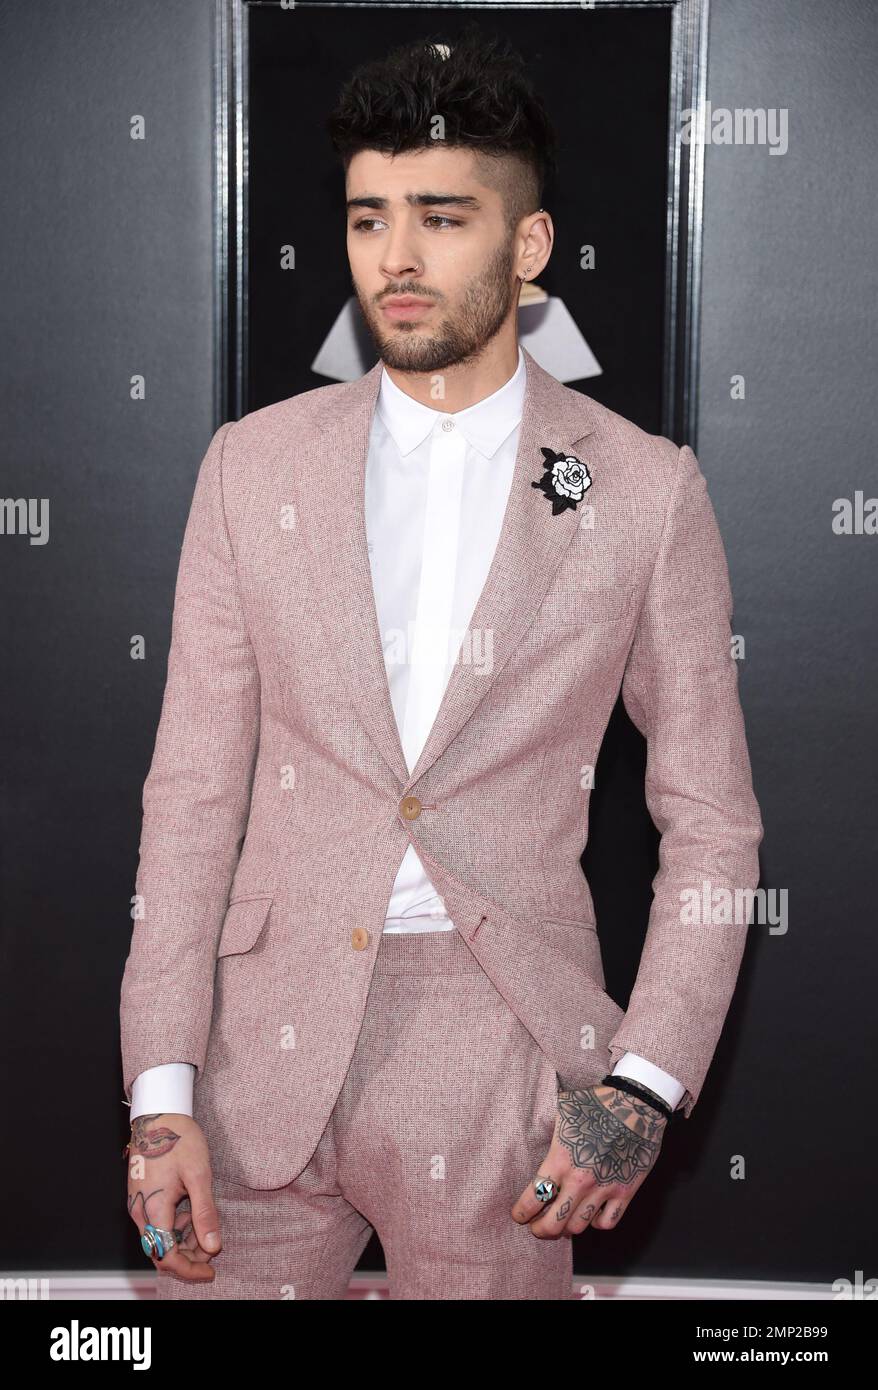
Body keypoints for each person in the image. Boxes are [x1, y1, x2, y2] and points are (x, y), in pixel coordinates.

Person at [120, 27, 763, 1300]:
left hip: (502, 1053)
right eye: (367, 220)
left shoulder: (641, 491)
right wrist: (161, 1085)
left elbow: (711, 825)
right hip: (260, 1049)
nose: (395, 259)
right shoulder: (252, 466)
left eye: (440, 217)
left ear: (526, 251)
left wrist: (639, 1081)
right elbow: (193, 796)